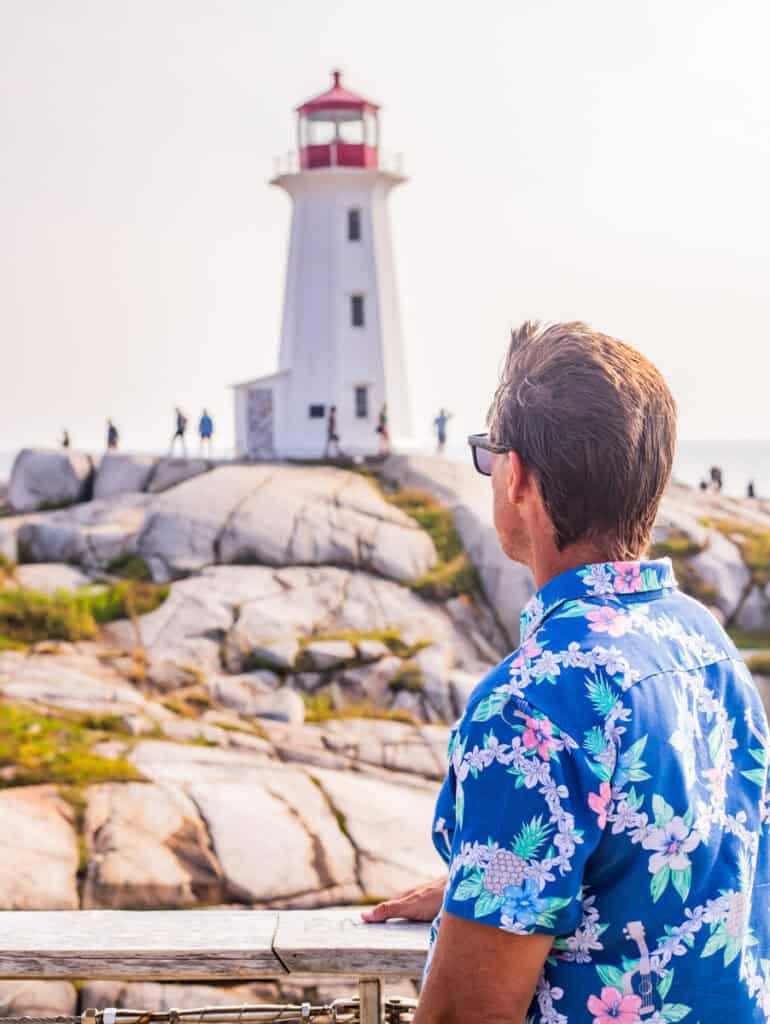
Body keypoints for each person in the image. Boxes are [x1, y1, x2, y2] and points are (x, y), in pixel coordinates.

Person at [363, 321, 770, 1023]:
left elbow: (466, 1017)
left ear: (517, 475)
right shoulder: (704, 643)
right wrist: (492, 891)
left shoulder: (532, 705)